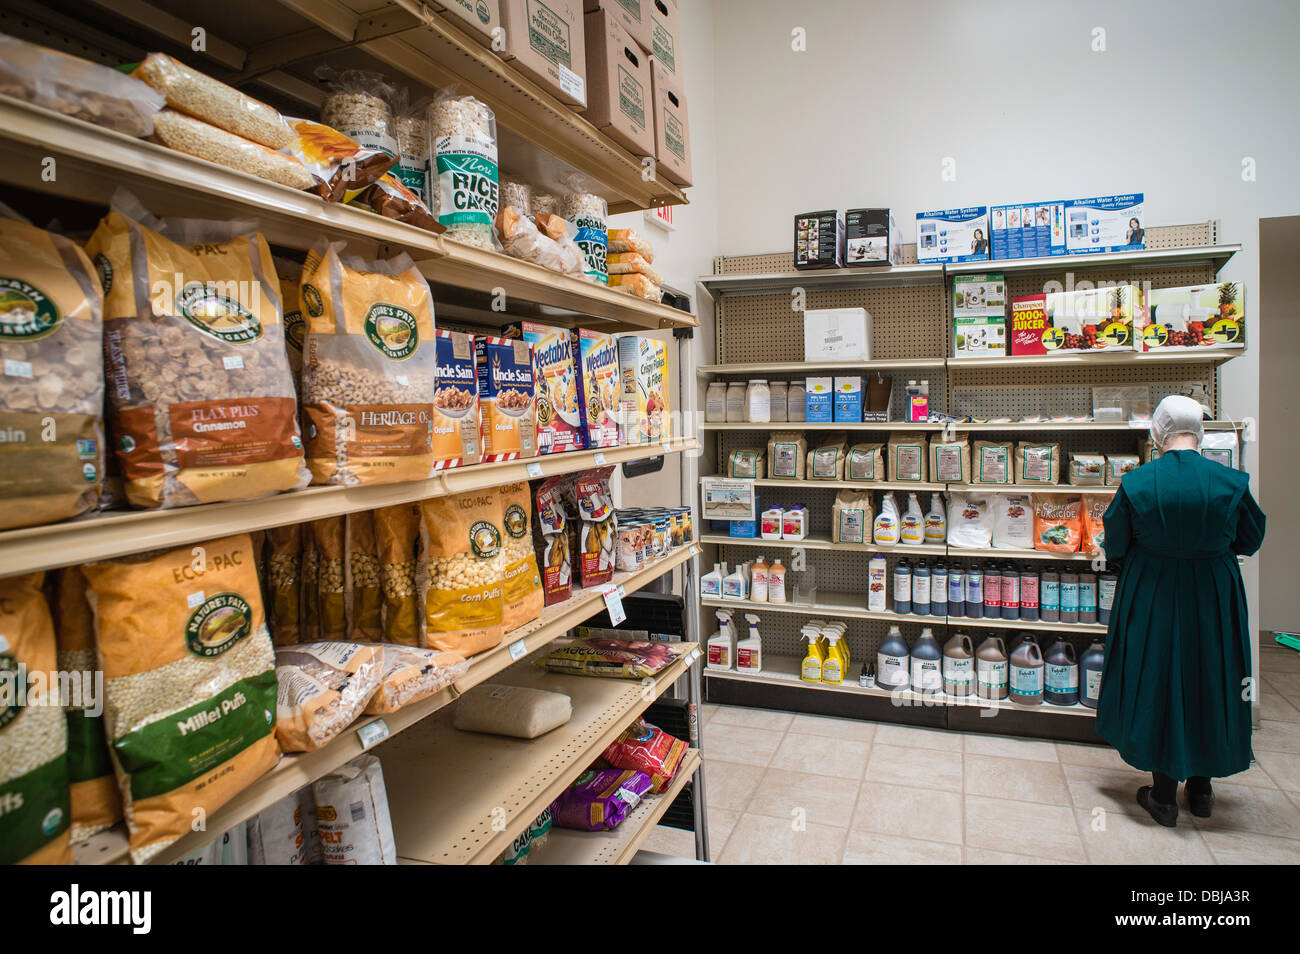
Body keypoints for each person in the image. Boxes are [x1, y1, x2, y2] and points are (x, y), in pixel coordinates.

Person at [1097, 395, 1265, 827]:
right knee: (1212, 674)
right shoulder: (1230, 481)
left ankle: (1163, 795)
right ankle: (1203, 789)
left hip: (1152, 590)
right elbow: (1250, 538)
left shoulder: (1138, 482)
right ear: (1201, 431)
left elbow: (1115, 544)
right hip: (1213, 592)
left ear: (1157, 433)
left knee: (1156, 676)